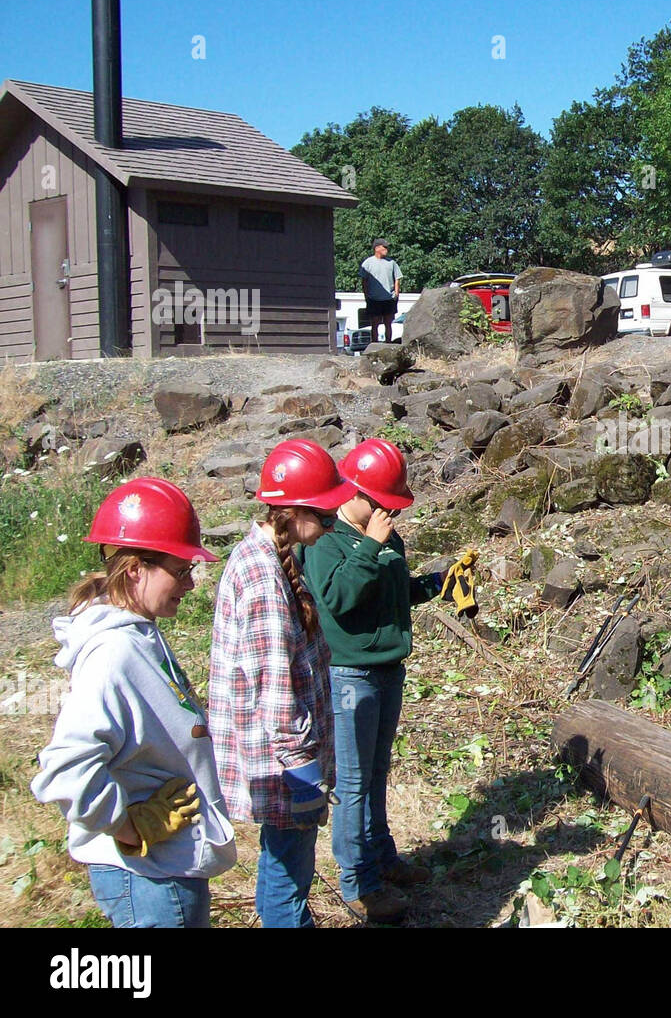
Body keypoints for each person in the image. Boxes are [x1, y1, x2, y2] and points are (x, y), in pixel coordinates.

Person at [31, 478, 233, 928]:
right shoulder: (114, 654)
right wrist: (128, 827)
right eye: (180, 571)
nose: (191, 584)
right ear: (135, 569)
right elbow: (66, 768)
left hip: (167, 864)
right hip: (148, 874)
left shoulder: (140, 634)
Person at [208, 439, 355, 928]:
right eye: (325, 515)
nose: (332, 524)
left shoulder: (273, 559)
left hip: (285, 759)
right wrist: (303, 772)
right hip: (283, 763)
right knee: (288, 880)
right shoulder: (262, 578)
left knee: (284, 864)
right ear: (292, 512)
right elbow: (275, 692)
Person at [302, 438, 444, 924]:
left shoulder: (383, 537)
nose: (391, 514)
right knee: (354, 781)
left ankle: (383, 858)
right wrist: (370, 545)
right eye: (384, 504)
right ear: (356, 494)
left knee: (377, 771)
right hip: (350, 675)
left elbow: (392, 594)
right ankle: (357, 882)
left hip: (387, 668)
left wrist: (437, 584)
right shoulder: (326, 540)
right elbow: (338, 599)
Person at [359, 238, 402, 344]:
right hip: (374, 298)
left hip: (389, 298)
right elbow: (364, 280)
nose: (387, 249)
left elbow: (397, 278)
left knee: (388, 323)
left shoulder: (392, 263)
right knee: (375, 323)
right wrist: (367, 295)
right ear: (377, 248)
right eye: (384, 247)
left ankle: (388, 344)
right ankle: (374, 344)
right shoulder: (368, 263)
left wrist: (396, 293)